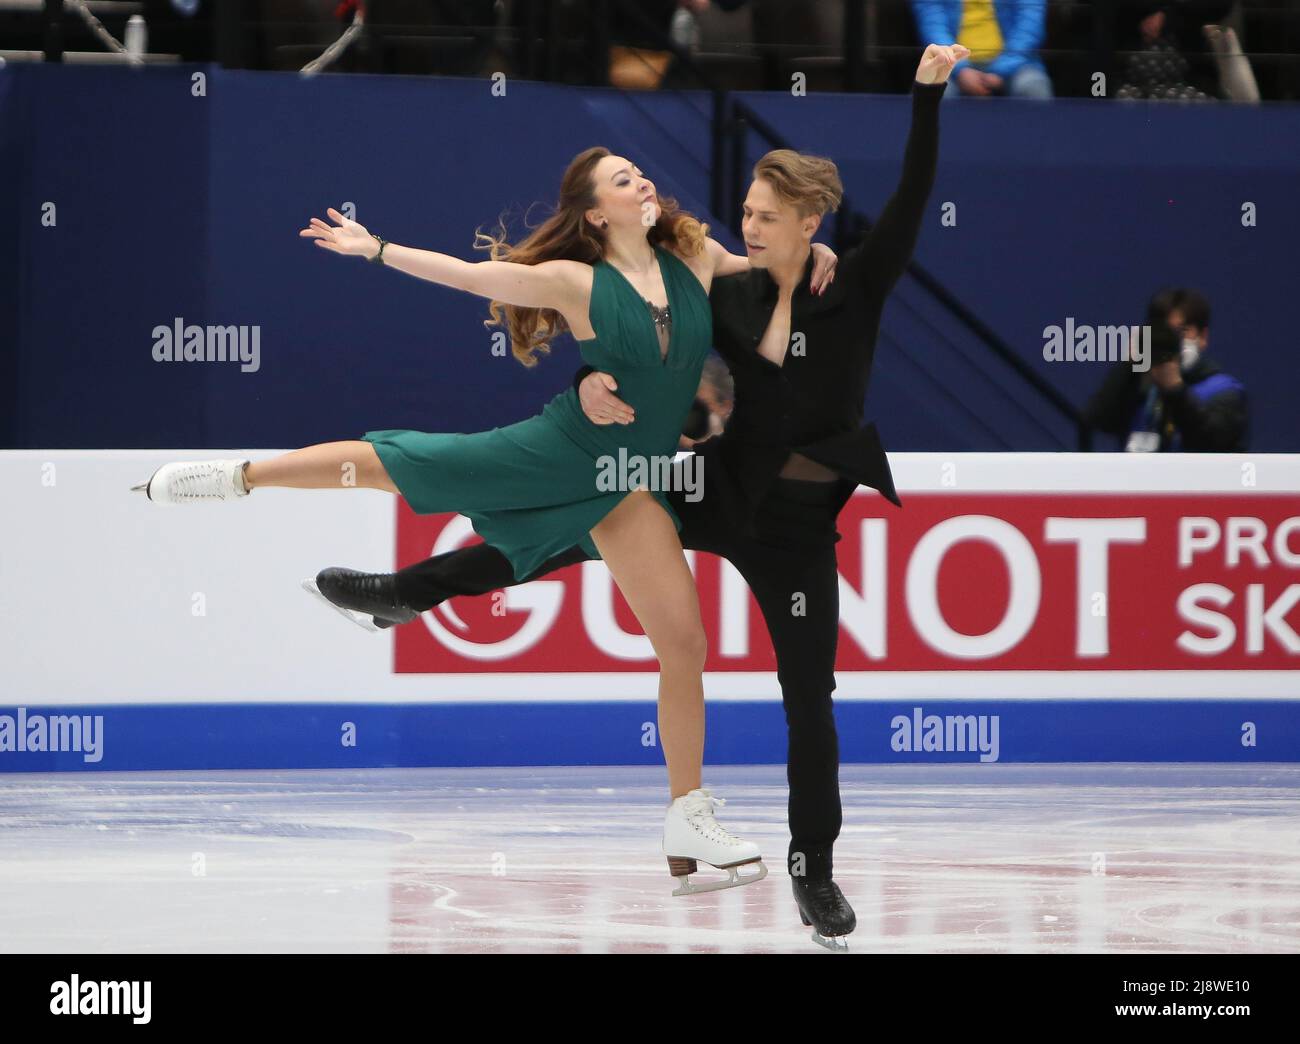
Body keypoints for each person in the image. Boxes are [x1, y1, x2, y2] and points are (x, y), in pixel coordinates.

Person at [308, 45, 962, 950]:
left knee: (809, 693)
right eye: (744, 213)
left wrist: (926, 94)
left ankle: (813, 868)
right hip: (721, 481)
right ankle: (407, 591)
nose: (749, 228)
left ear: (811, 220)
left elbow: (915, 193)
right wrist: (587, 385)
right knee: (591, 507)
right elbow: (639, 325)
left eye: (768, 217)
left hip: (798, 527)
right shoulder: (723, 291)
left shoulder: (854, 283)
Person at [130, 146, 830, 895]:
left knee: (684, 644)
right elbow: (472, 278)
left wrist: (814, 247)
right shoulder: (576, 281)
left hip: (628, 482)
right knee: (398, 463)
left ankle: (687, 818)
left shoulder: (693, 254)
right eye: (622, 180)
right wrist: (378, 250)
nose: (642, 182)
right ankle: (236, 477)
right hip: (565, 449)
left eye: (639, 173)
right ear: (596, 212)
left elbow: (760, 264)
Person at [1085, 287, 1248, 452]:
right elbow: (1097, 421)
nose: (1174, 341)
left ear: (1203, 337)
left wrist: (1175, 389)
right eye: (1166, 332)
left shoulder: (1225, 392)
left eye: (1182, 331)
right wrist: (1128, 365)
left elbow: (1214, 444)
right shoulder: (1141, 386)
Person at [909, 0, 1052, 99]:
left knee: (1032, 86)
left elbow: (1029, 25)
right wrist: (959, 69)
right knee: (931, 91)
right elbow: (932, 26)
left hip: (1016, 64)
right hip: (950, 66)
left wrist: (1001, 70)